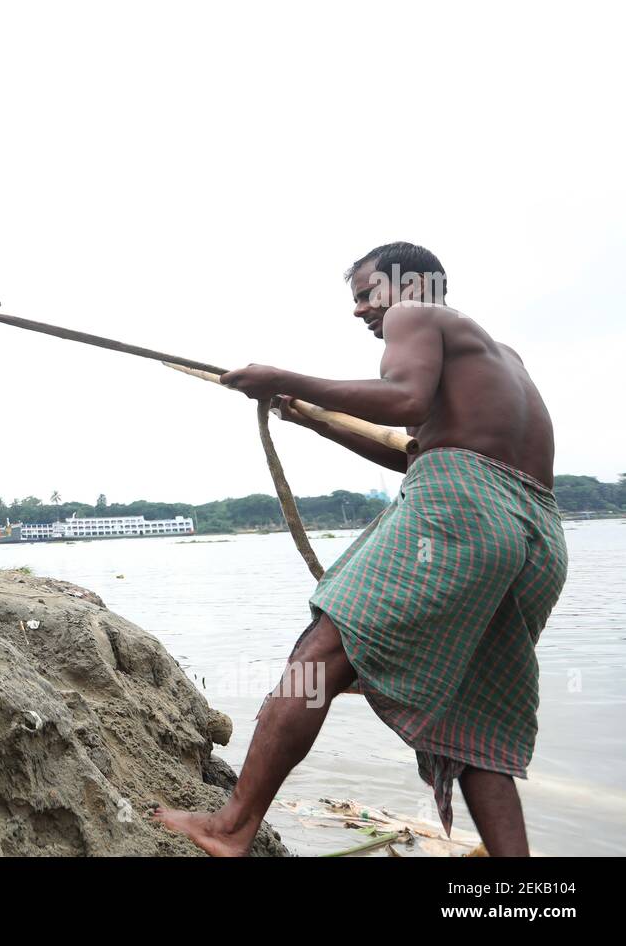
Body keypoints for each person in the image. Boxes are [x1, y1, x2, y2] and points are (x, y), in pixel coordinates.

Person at [151, 242, 567, 856]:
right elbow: (420, 448)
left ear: (415, 284)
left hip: (462, 511)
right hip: (536, 533)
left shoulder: (416, 317)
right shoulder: (504, 357)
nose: (362, 311)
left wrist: (279, 376)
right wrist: (315, 417)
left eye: (369, 294)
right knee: (472, 718)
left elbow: (406, 405)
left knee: (319, 657)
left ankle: (231, 826)